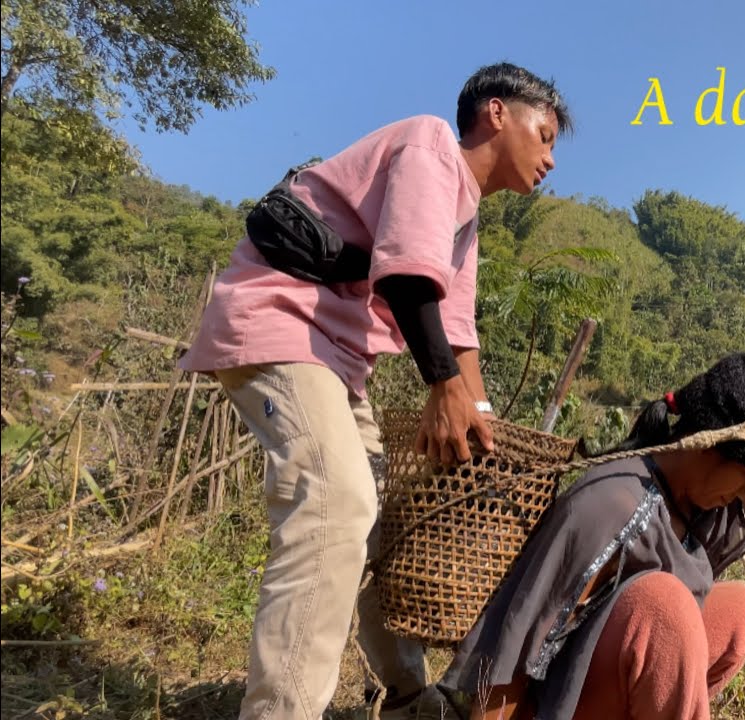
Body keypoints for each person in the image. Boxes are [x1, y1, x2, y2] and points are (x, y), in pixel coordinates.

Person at [176, 62, 572, 719]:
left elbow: (457, 331)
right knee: (336, 505)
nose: (551, 158)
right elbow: (405, 278)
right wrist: (442, 386)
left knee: (375, 525)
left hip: (335, 360)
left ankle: (409, 695)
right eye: (547, 134)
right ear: (497, 113)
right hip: (281, 325)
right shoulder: (428, 145)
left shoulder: (466, 220)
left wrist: (482, 423)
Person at [439, 352, 745, 720]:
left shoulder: (700, 499)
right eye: (744, 480)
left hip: (621, 683)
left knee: (740, 608)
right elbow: (520, 645)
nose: (743, 493)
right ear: (705, 447)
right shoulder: (611, 504)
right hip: (556, 705)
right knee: (666, 605)